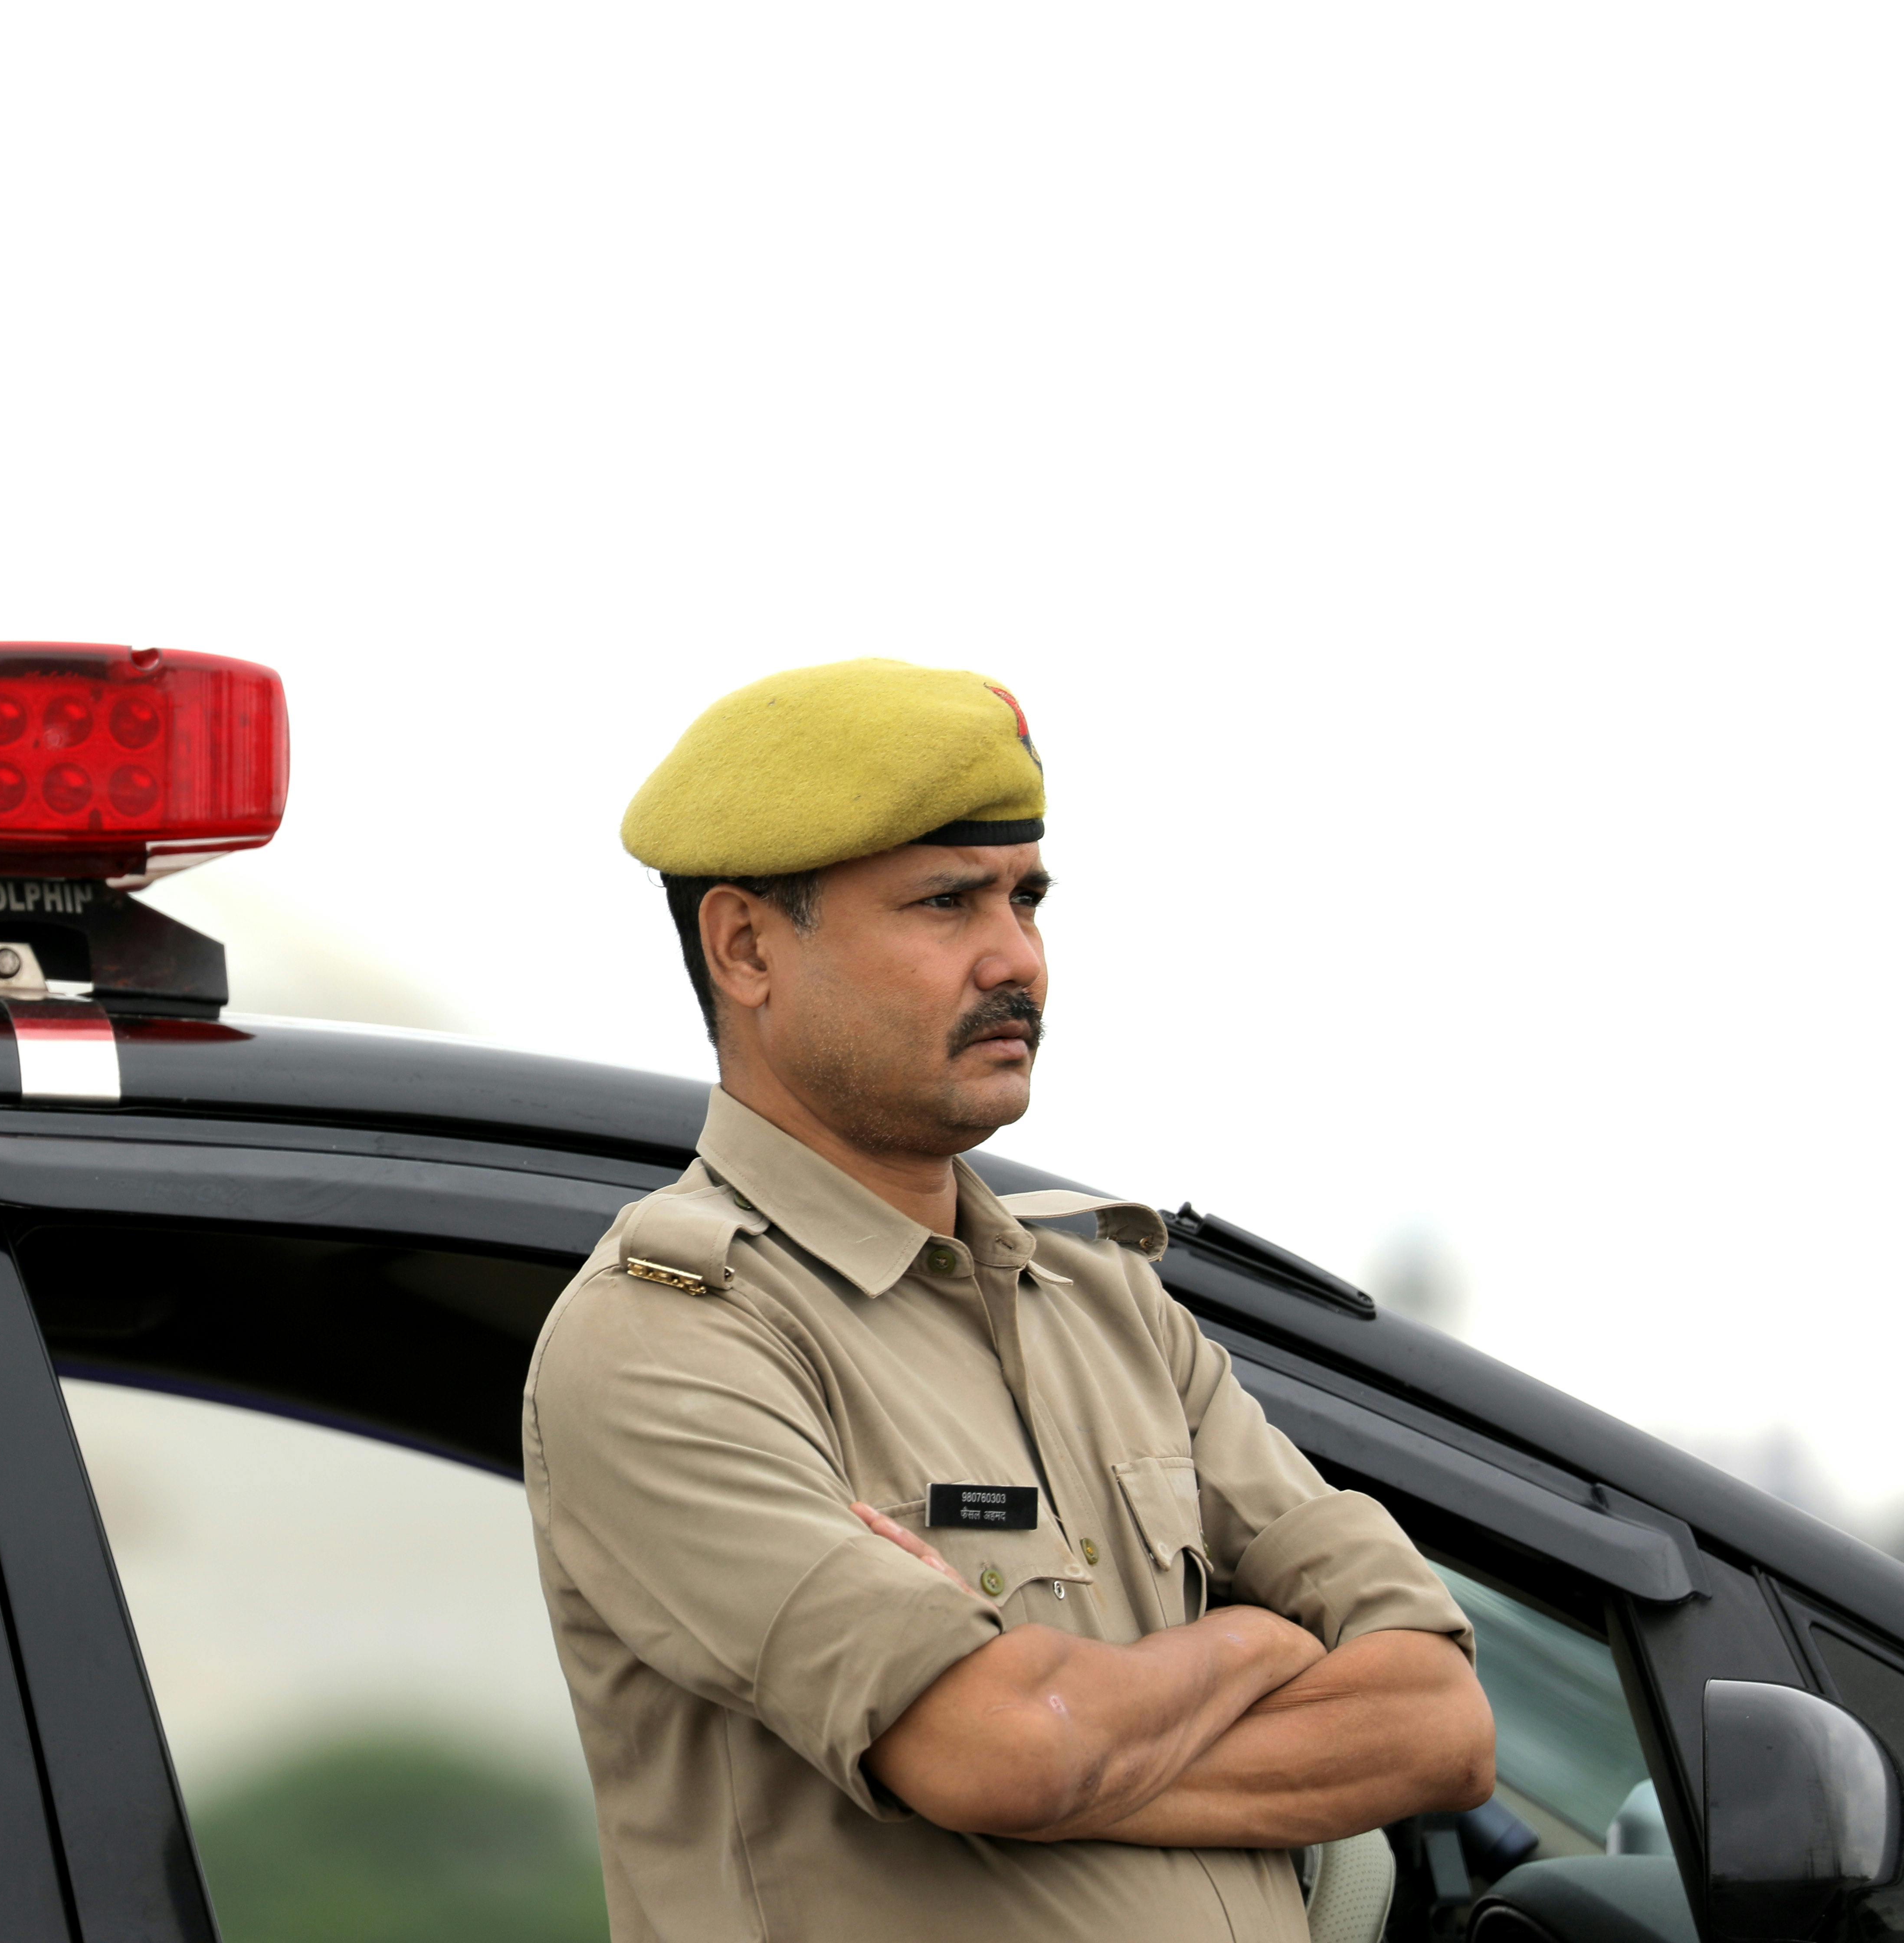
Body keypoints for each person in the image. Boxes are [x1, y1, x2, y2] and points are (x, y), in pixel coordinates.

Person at [522, 660, 1496, 1942]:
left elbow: (1441, 1724)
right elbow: (1003, 1753)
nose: (1017, 959)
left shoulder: (1108, 1306)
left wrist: (1082, 1737)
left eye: (1026, 900)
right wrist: (1259, 1648)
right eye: (945, 904)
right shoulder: (672, 1335)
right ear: (747, 947)